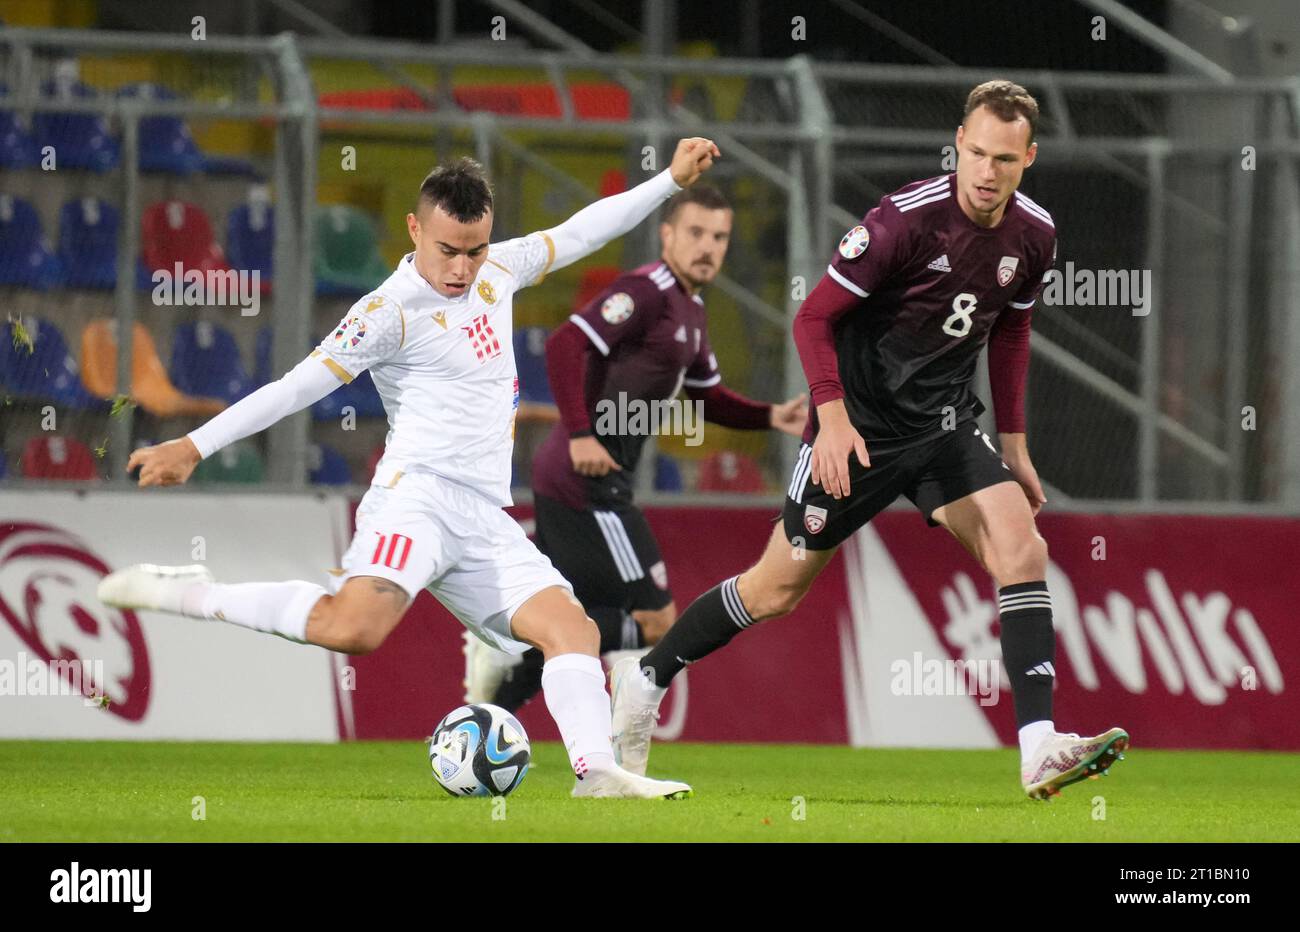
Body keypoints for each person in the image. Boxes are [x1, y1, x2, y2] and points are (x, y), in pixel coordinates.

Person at [97, 138, 722, 800]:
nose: (461, 267)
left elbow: (578, 231)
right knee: (353, 630)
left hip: (483, 515)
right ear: (414, 229)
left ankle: (595, 774)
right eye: (447, 249)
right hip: (416, 501)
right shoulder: (385, 314)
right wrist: (193, 445)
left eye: (474, 249)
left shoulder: (498, 272)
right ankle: (189, 592)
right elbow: (294, 387)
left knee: (574, 629)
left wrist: (669, 182)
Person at [605, 82, 1129, 800]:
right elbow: (813, 319)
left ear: (1027, 158)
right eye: (975, 153)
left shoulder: (1035, 234)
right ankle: (646, 677)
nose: (986, 171)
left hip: (943, 425)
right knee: (777, 588)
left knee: (1022, 545)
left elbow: (1010, 330)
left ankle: (1038, 746)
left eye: (1004, 160)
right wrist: (833, 416)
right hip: (857, 431)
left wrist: (1015, 446)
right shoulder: (902, 222)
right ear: (958, 143)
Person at [463, 185, 806, 714]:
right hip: (587, 483)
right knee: (655, 619)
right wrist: (582, 434)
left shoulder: (690, 311)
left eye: (719, 237)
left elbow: (706, 397)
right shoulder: (647, 292)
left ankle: (494, 708)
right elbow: (564, 344)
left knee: (573, 614)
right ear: (667, 234)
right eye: (695, 233)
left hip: (579, 480)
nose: (707, 247)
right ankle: (526, 659)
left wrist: (769, 416)